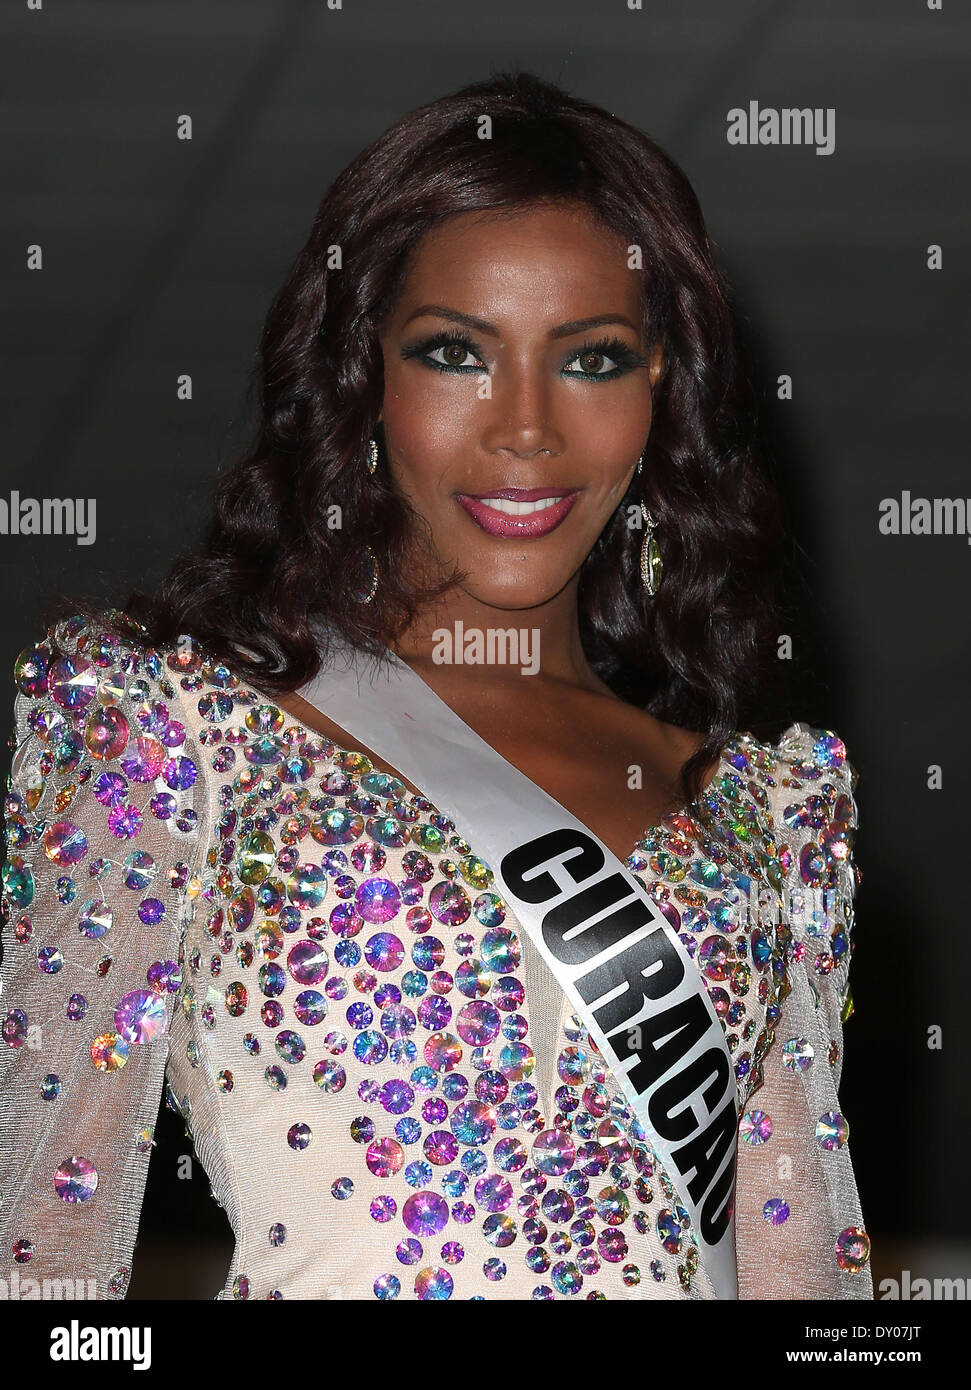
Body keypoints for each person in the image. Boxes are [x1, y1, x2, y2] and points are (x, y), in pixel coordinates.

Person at [0, 70, 871, 1301]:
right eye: (456, 352)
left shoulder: (763, 818)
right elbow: (42, 1270)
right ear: (362, 378)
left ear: (658, 391)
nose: (524, 429)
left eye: (592, 358)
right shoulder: (169, 733)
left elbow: (804, 1291)